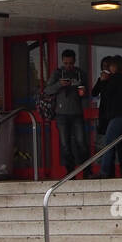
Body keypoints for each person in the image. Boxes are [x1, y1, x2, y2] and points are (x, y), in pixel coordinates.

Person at [48, 49, 89, 177]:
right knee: (65, 144)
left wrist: (83, 91)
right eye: (66, 63)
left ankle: (87, 170)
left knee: (81, 142)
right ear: (62, 61)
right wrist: (59, 84)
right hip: (61, 114)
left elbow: (87, 92)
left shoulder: (80, 73)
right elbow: (47, 90)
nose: (68, 66)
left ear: (74, 61)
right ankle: (70, 172)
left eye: (70, 63)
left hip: (77, 113)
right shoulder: (57, 74)